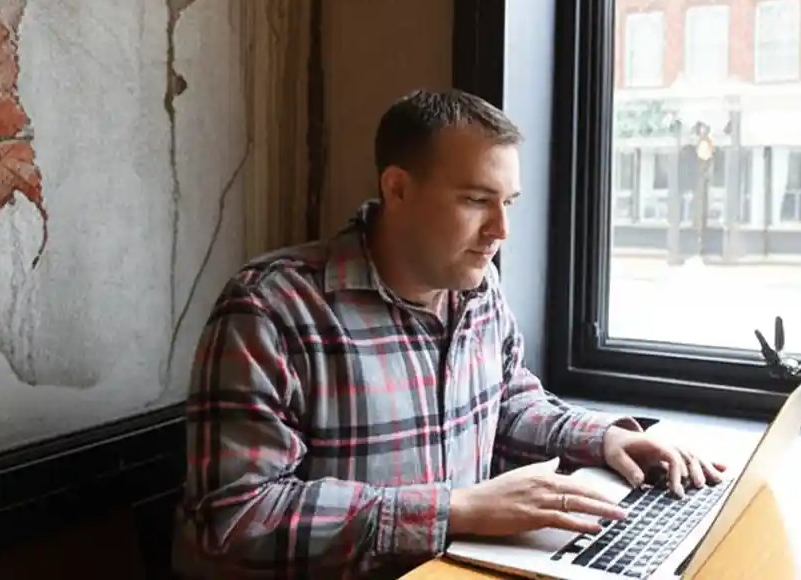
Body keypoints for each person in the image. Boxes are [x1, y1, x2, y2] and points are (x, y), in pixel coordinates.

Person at [173, 89, 724, 578]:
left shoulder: (477, 288)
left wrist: (607, 440)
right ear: (398, 189)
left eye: (507, 203)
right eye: (476, 200)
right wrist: (456, 510)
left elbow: (506, 403)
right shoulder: (268, 310)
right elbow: (238, 517)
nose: (500, 232)